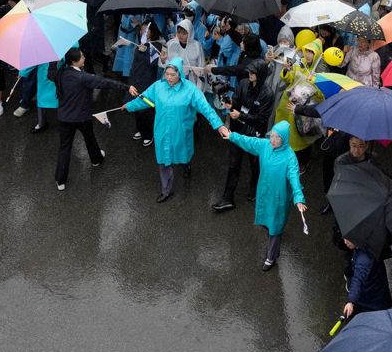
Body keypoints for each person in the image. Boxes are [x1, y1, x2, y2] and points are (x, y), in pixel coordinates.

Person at [125, 57, 225, 202]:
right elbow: (144, 99)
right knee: (164, 161)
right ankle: (166, 190)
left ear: (180, 74)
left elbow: (206, 109)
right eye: (167, 74)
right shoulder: (158, 86)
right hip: (161, 131)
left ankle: (186, 165)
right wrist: (128, 106)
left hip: (181, 131)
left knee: (183, 154)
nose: (169, 78)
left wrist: (219, 125)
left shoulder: (191, 90)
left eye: (173, 75)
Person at [222, 120, 307, 270]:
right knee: (268, 223)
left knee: (274, 227)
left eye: (277, 138)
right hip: (265, 192)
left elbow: (294, 178)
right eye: (272, 136)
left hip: (279, 198)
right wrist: (232, 136)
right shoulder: (265, 145)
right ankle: (275, 236)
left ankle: (271, 257)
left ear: (285, 138)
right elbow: (249, 141)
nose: (273, 140)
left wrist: (299, 198)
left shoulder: (290, 157)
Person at [49, 48, 134, 191]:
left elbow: (50, 73)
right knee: (89, 138)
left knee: (65, 148)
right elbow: (105, 82)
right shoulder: (83, 77)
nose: (84, 58)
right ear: (74, 61)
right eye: (82, 57)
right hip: (82, 117)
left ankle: (60, 180)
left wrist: (54, 59)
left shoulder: (60, 73)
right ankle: (96, 159)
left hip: (64, 118)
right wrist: (127, 87)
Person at [212, 58, 274, 211]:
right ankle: (227, 198)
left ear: (261, 74)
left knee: (255, 165)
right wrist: (230, 103)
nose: (249, 74)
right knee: (233, 164)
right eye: (249, 71)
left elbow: (261, 119)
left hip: (254, 135)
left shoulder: (268, 94)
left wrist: (240, 115)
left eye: (253, 72)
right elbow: (237, 100)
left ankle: (254, 189)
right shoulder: (243, 83)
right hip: (238, 131)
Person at [341, 236, 392, 318]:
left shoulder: (364, 258)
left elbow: (358, 279)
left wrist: (351, 301)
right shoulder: (367, 245)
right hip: (377, 294)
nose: (345, 242)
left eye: (348, 239)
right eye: (344, 238)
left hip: (371, 302)